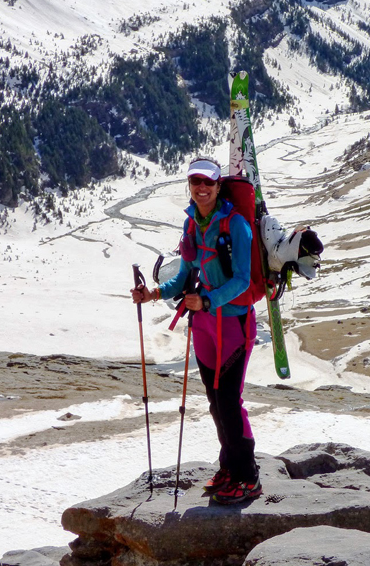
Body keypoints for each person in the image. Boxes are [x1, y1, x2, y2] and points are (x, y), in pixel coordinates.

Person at [132, 156, 261, 504]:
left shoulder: (236, 225)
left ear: (219, 186)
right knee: (215, 402)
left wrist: (207, 301)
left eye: (208, 182)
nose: (201, 188)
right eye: (195, 183)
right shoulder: (192, 225)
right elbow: (185, 275)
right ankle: (229, 467)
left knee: (229, 402)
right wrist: (154, 294)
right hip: (204, 326)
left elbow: (243, 281)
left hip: (233, 322)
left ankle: (248, 476)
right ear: (189, 187)